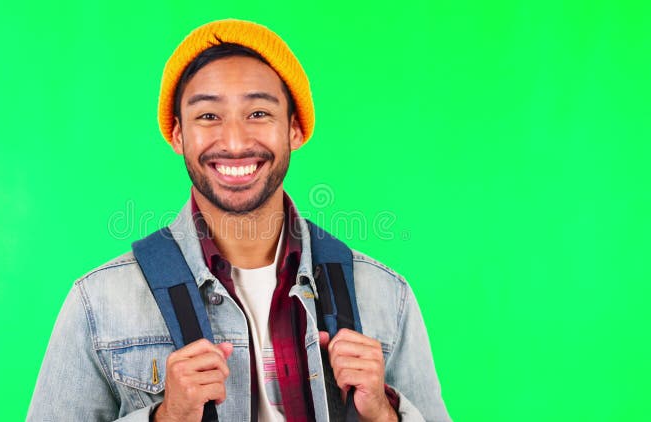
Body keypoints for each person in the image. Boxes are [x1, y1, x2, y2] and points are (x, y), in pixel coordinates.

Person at [27, 19, 450, 422]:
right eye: (208, 116)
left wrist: (383, 413)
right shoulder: (98, 304)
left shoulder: (384, 296)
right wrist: (166, 416)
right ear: (177, 134)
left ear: (295, 129)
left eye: (259, 114)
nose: (234, 142)